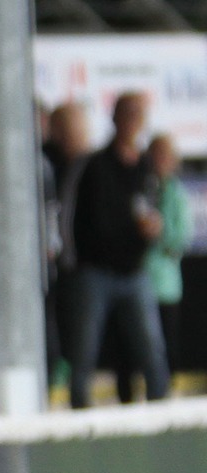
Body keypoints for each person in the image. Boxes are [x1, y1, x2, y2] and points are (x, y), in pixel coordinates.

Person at [67, 92, 168, 408]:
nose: (134, 122)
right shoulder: (96, 166)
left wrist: (153, 228)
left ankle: (162, 422)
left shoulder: (145, 166)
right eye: (129, 114)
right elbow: (87, 221)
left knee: (153, 353)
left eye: (139, 115)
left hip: (134, 271)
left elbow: (152, 207)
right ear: (115, 119)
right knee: (83, 354)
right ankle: (78, 422)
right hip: (96, 272)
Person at [143, 134, 190, 380]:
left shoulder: (176, 193)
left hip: (165, 285)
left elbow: (181, 238)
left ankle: (165, 391)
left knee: (166, 343)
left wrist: (160, 230)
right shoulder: (141, 187)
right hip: (137, 279)